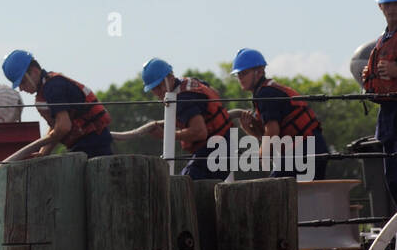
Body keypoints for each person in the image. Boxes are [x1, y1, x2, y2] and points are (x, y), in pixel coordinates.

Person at [230, 48, 329, 179]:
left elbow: (272, 133)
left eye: (244, 73)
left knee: (272, 190)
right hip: (313, 147)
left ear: (259, 72)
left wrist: (260, 155)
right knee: (305, 196)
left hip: (304, 149)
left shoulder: (265, 94)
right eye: (239, 74)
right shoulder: (266, 91)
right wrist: (250, 130)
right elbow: (272, 136)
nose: (240, 78)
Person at [0, 49, 113, 157]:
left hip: (93, 144)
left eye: (23, 82)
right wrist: (43, 152)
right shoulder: (46, 89)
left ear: (34, 71)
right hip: (84, 143)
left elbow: (63, 126)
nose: (21, 88)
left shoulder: (53, 87)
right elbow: (56, 125)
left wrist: (45, 140)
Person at [136, 59, 232, 178]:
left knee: (185, 183)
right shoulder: (189, 82)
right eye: (154, 89)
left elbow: (200, 132)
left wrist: (167, 134)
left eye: (159, 86)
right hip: (225, 144)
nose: (158, 92)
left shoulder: (182, 99)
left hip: (217, 150)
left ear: (170, 78)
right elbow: (214, 93)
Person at [361, 0, 397, 206]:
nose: (392, 8)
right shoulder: (382, 41)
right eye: (388, 3)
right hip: (388, 117)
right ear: (379, 6)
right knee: (392, 177)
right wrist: (369, 76)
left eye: (396, 3)